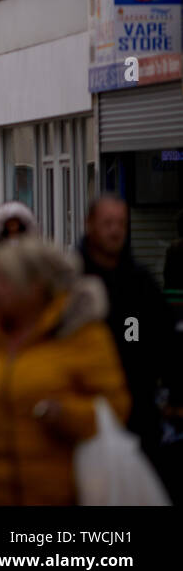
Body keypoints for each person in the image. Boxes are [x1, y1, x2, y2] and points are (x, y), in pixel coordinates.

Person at [0, 238, 130, 505]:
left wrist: (65, 413)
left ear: (35, 286)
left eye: (4, 281)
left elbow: (116, 408)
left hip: (66, 494)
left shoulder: (81, 334)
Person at [78, 195, 179, 457]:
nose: (115, 231)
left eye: (121, 223)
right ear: (90, 224)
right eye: (107, 223)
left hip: (138, 407)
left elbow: (167, 338)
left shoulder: (140, 281)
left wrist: (174, 394)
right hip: (86, 410)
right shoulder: (73, 281)